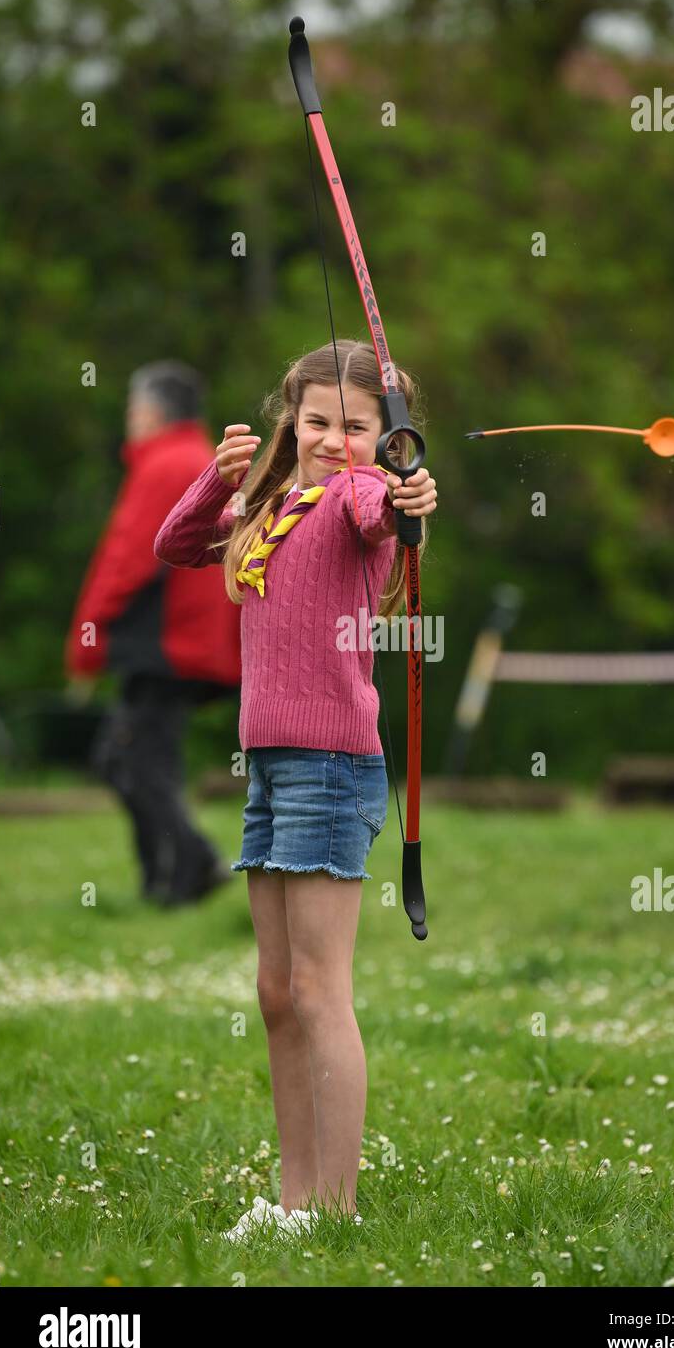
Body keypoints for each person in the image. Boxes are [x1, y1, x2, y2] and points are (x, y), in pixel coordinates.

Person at [153, 340, 437, 1234]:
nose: (331, 440)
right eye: (316, 421)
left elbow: (379, 513)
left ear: (386, 435)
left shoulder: (357, 497)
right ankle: (292, 1201)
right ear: (293, 420)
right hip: (273, 768)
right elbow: (176, 545)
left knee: (318, 990)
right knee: (276, 993)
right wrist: (218, 478)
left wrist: (403, 488)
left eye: (356, 426)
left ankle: (333, 1207)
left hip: (330, 767)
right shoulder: (278, 501)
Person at [64, 360, 242, 906]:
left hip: (164, 645)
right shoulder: (203, 458)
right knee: (141, 760)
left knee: (130, 762)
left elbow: (123, 562)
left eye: (131, 410)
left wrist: (84, 644)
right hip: (199, 644)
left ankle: (191, 866)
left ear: (149, 412)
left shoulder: (164, 464)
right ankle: (165, 881)